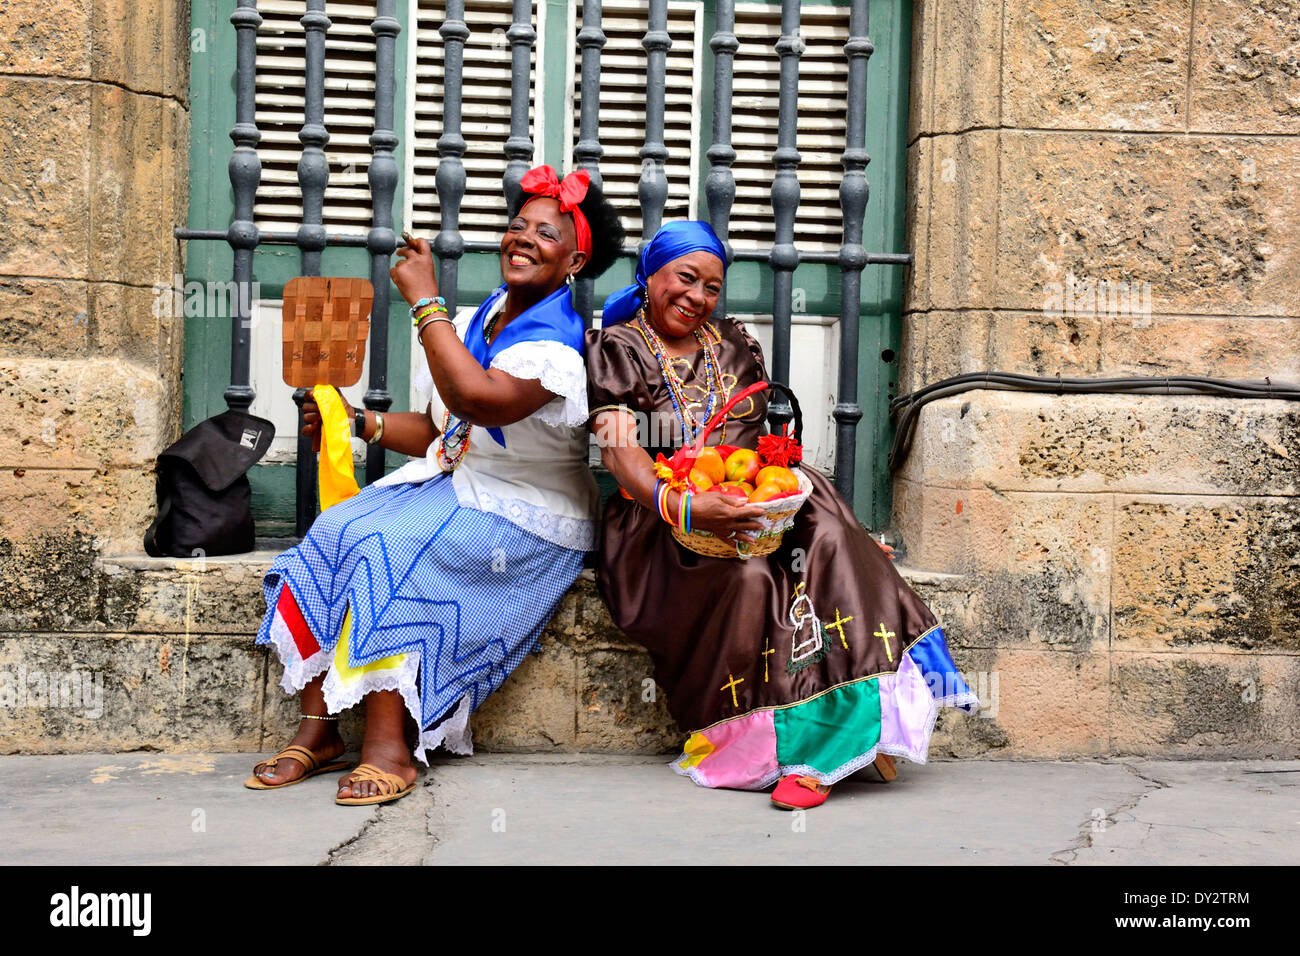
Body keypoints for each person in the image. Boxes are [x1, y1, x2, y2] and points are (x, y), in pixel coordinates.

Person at [246, 165, 625, 805]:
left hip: (528, 513)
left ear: (575, 259)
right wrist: (360, 423)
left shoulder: (558, 346)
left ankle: (391, 746)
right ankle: (319, 730)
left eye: (546, 232)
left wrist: (424, 302)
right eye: (517, 225)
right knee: (336, 531)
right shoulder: (483, 318)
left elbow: (481, 400)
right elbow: (442, 428)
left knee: (395, 552)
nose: (523, 238)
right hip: (459, 483)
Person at [586, 220, 978, 810]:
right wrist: (687, 505)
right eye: (685, 278)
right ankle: (777, 744)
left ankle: (828, 747)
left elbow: (751, 453)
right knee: (751, 580)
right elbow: (619, 451)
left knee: (820, 521)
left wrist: (750, 504)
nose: (697, 297)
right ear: (650, 275)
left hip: (750, 512)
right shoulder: (616, 349)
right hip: (659, 524)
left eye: (712, 287)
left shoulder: (734, 346)